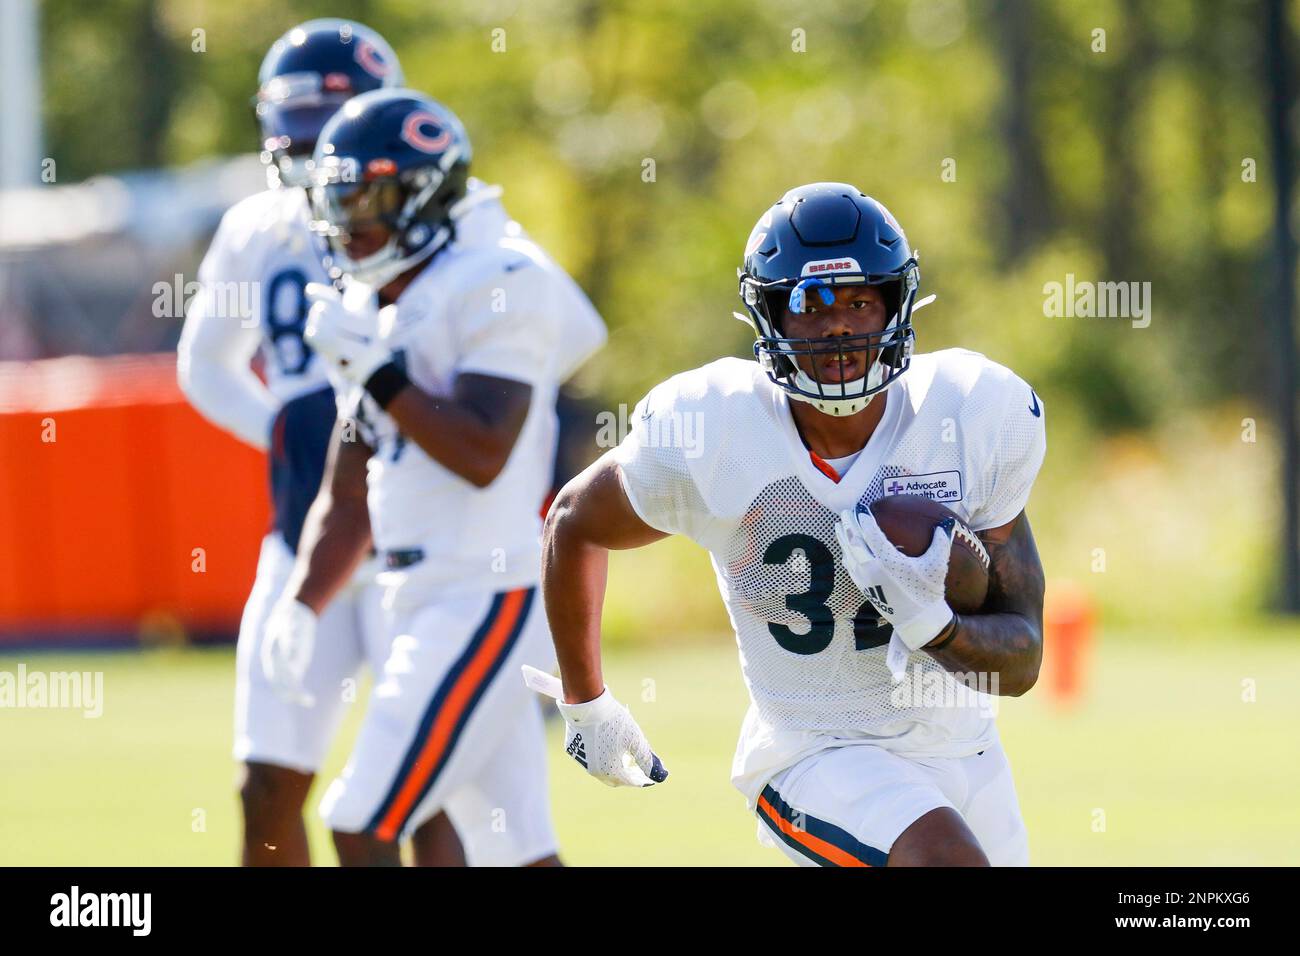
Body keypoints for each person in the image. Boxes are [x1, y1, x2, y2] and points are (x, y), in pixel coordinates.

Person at [539, 182, 1047, 866]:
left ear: (896, 304)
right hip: (814, 753)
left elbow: (1022, 660)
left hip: (966, 749)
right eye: (809, 304)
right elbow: (574, 521)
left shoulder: (971, 413)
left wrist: (931, 622)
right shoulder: (716, 428)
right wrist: (586, 706)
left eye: (860, 300)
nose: (837, 326)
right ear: (769, 315)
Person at [261, 88, 606, 866]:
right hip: (415, 595)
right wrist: (304, 603)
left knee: (360, 816)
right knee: (514, 849)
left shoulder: (500, 278)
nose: (349, 220)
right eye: (336, 198)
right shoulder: (377, 296)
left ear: (426, 195)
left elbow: (483, 452)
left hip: (486, 592)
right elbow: (349, 490)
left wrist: (378, 372)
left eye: (367, 197)